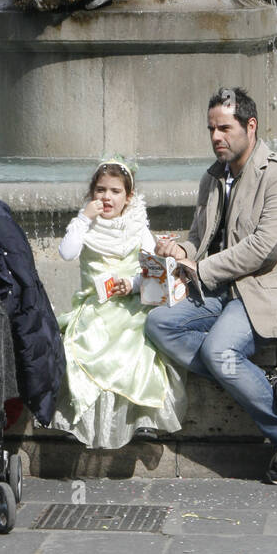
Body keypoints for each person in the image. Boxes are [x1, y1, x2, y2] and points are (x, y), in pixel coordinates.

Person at [145, 87, 277, 484]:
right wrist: (177, 250)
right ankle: (261, 380)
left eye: (224, 128)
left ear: (251, 126)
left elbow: (263, 248)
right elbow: (200, 237)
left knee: (221, 352)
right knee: (159, 324)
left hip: (264, 291)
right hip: (221, 290)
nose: (215, 137)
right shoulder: (212, 178)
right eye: (211, 129)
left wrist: (201, 267)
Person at [51, 160, 187, 449]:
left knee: (140, 344)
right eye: (100, 190)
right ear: (91, 194)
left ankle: (144, 421)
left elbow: (152, 270)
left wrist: (133, 284)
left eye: (115, 191)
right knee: (85, 344)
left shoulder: (137, 228)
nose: (106, 197)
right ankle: (78, 417)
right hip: (94, 305)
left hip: (129, 305)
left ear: (128, 197)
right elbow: (67, 252)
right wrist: (84, 218)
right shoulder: (86, 225)